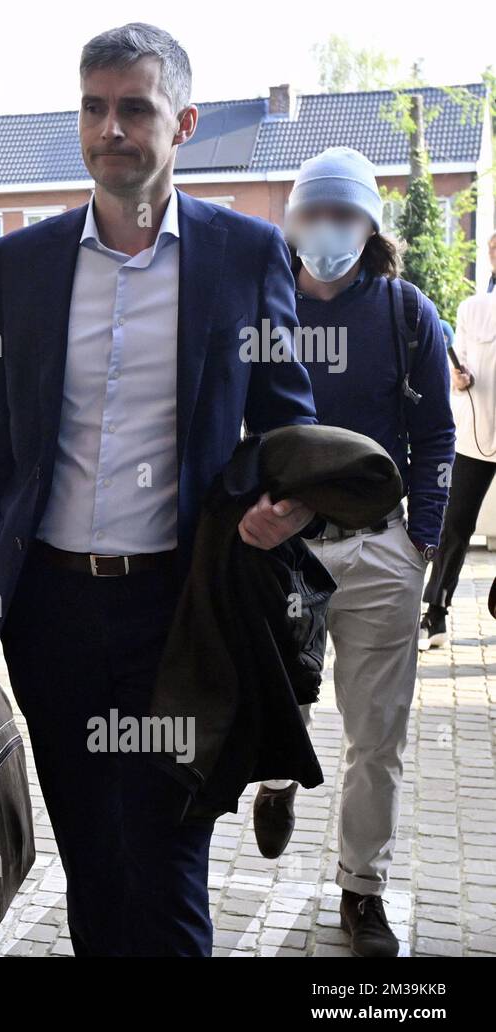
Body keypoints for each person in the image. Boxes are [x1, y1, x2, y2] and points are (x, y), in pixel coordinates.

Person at [0, 22, 319, 957]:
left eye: (134, 109)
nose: (110, 128)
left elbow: (286, 422)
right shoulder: (22, 267)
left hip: (179, 610)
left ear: (183, 123)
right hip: (50, 610)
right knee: (92, 859)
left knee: (163, 860)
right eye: (93, 107)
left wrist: (293, 502)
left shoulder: (243, 254)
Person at [250, 147, 454, 958]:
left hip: (379, 552)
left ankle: (361, 890)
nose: (327, 228)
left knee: (377, 735)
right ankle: (275, 776)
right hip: (286, 553)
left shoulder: (408, 315)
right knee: (278, 700)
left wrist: (424, 535)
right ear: (293, 221)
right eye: (313, 212)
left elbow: (437, 432)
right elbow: (236, 429)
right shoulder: (264, 311)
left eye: (345, 213)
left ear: (370, 225)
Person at [421, 287, 496, 647]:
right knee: (455, 526)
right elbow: (457, 368)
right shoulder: (474, 309)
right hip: (474, 436)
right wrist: (459, 378)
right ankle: (435, 615)